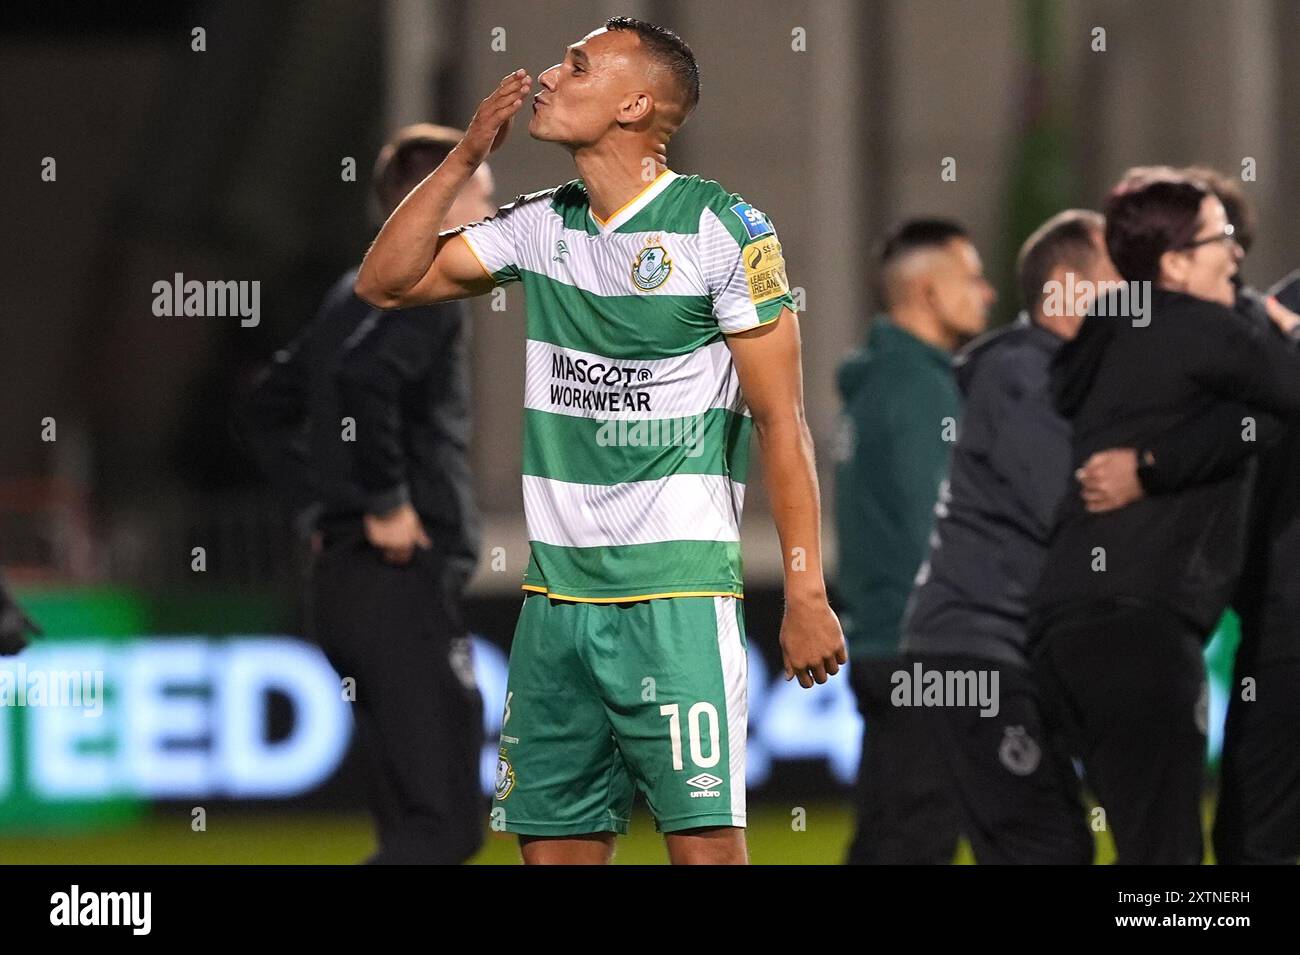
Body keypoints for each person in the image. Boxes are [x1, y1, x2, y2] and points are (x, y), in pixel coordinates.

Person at [355, 17, 846, 865]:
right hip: (555, 607)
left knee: (707, 855)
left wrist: (804, 593)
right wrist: (465, 155)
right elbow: (385, 281)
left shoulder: (725, 230)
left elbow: (782, 422)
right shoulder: (542, 224)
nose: (549, 74)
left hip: (678, 603)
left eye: (578, 65)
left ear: (636, 103)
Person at [239, 124, 495, 864]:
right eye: (479, 183)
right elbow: (366, 379)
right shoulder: (429, 284)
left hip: (347, 583)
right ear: (440, 195)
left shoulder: (347, 294)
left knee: (412, 825)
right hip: (397, 580)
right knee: (442, 829)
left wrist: (317, 511)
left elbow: (263, 408)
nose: (492, 199)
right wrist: (382, 501)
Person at [1028, 171, 1300, 864]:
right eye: (1221, 239)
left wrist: (1151, 465)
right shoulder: (1202, 326)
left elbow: (1253, 422)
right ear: (1176, 262)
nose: (1237, 254)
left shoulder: (1114, 325)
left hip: (1065, 623)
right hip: (1140, 624)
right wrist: (1287, 328)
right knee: (1168, 872)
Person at [900, 210, 1117, 864]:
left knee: (1049, 845)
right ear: (1068, 289)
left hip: (1006, 653)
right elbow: (1074, 505)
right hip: (977, 656)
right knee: (1042, 848)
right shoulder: (1025, 375)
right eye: (1120, 279)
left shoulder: (1052, 374)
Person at [834, 218, 992, 864]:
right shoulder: (922, 389)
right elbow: (941, 525)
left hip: (883, 640)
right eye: (974, 277)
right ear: (928, 291)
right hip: (924, 649)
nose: (986, 292)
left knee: (893, 833)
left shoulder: (876, 381)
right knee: (914, 839)